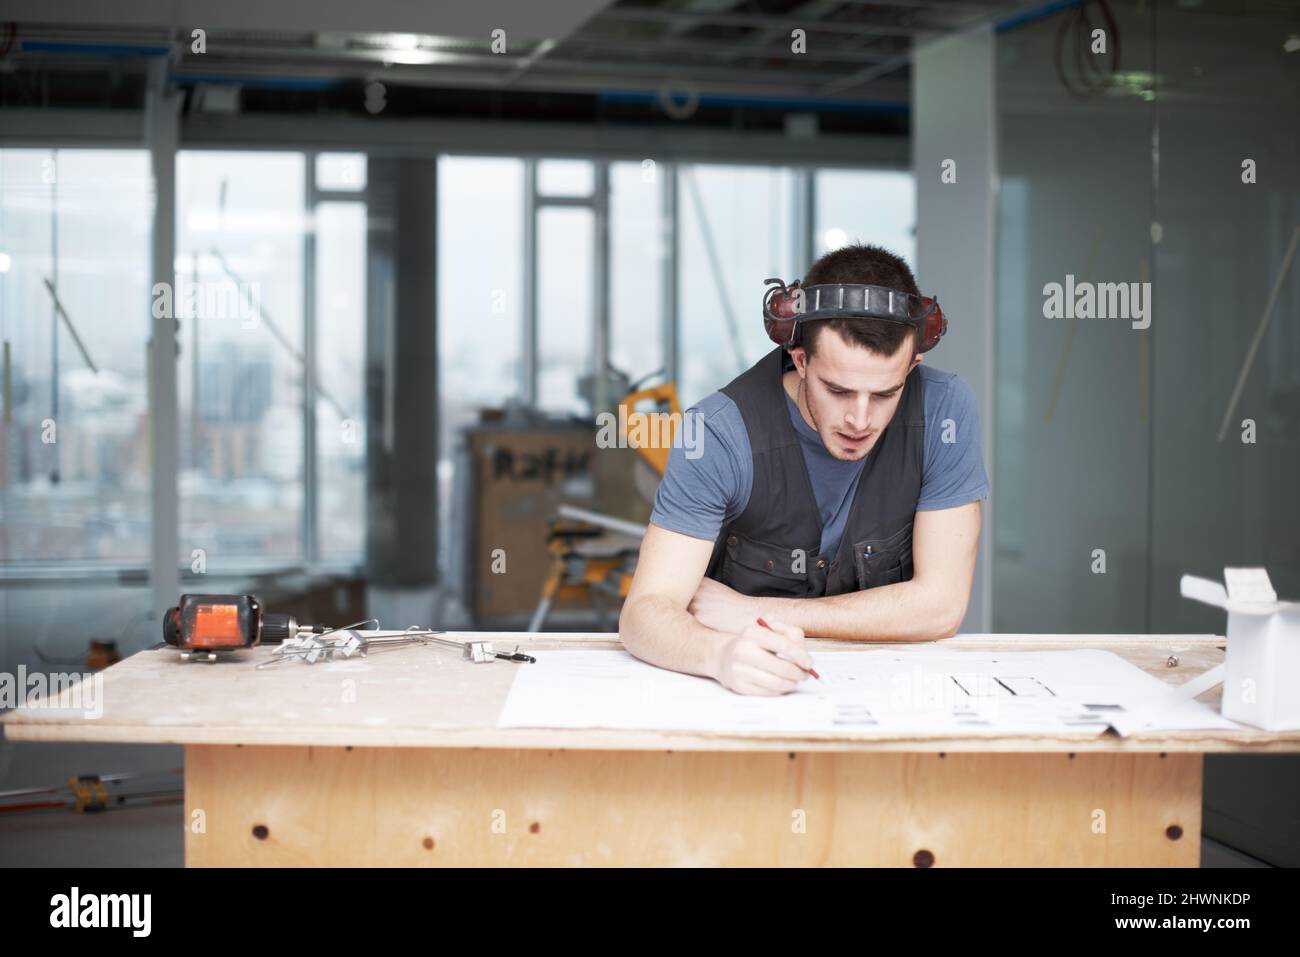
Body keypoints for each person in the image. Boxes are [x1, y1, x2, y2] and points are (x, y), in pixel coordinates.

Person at [619, 243, 989, 695]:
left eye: (885, 394)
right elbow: (645, 613)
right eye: (838, 390)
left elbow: (942, 606)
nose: (860, 419)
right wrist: (717, 655)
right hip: (744, 696)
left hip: (887, 695)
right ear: (801, 360)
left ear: (912, 368)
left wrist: (757, 613)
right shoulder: (717, 433)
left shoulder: (945, 412)